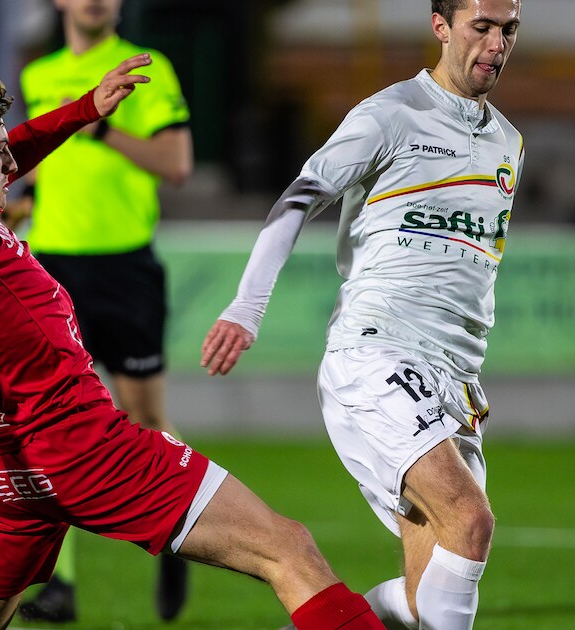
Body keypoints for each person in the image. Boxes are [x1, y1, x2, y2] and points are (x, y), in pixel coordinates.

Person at [0, 56, 385, 630]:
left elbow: (5, 159)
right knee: (286, 548)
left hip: (4, 461)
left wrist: (84, 110)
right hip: (77, 443)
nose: (11, 163)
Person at [202, 1, 523, 628]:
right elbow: (299, 198)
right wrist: (247, 306)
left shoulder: (507, 140)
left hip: (454, 379)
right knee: (471, 518)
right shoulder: (391, 114)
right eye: (480, 26)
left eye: (508, 28)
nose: (495, 43)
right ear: (441, 26)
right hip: (378, 353)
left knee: (425, 598)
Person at [3, 0, 195, 622]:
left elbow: (177, 164)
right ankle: (59, 583)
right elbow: (33, 168)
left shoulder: (148, 67)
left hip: (124, 268)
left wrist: (102, 127)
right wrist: (19, 203)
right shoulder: (35, 76)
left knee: (145, 424)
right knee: (46, 423)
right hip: (51, 267)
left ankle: (181, 531)